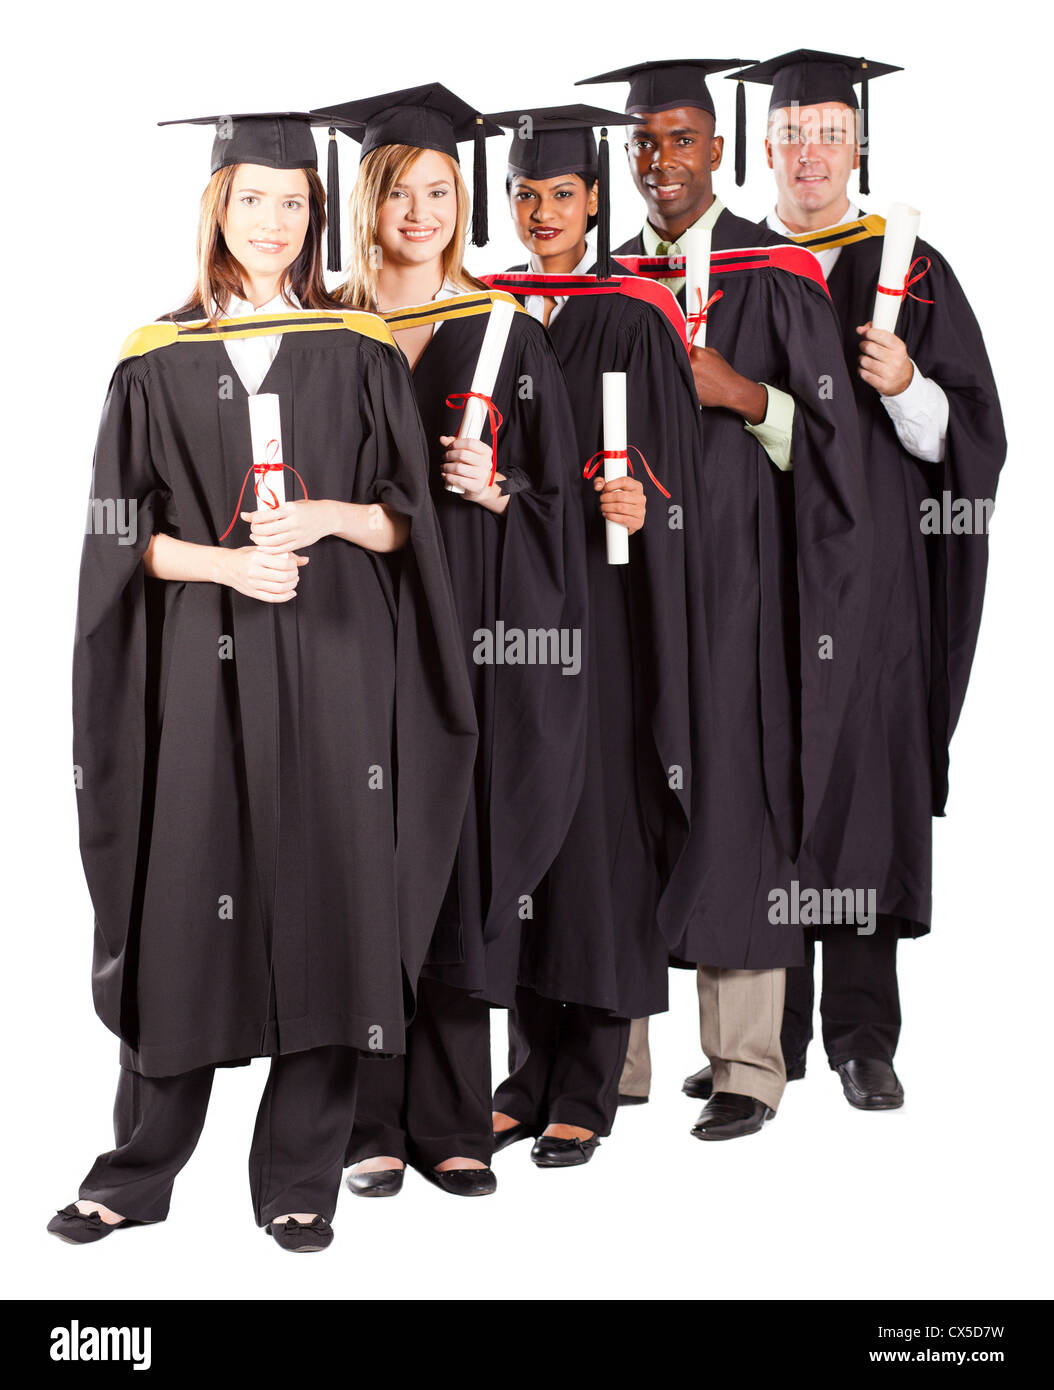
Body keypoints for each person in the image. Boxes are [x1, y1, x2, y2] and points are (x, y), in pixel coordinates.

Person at [49, 111, 476, 1252]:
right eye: (254, 201)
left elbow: (408, 523)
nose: (276, 223)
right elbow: (115, 533)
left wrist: (332, 515)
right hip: (203, 653)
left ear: (313, 213)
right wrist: (227, 560)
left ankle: (301, 1173)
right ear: (216, 210)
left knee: (336, 893)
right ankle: (138, 1168)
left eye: (295, 202)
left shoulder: (357, 343)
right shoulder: (154, 354)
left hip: (340, 653)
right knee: (185, 892)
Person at [578, 58, 871, 1138]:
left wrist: (743, 393)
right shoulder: (604, 282)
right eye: (641, 143)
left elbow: (839, 443)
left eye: (679, 138)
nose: (659, 162)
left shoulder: (776, 270)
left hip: (746, 584)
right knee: (622, 792)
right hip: (627, 583)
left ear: (717, 145)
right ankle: (615, 1059)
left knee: (742, 797)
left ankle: (748, 1063)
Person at [311, 84, 588, 1194]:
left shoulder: (506, 334)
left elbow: (561, 501)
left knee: (464, 858)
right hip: (349, 630)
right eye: (399, 192)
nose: (420, 212)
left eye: (439, 192)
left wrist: (499, 491)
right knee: (363, 860)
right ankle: (367, 1118)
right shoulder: (323, 327)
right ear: (363, 201)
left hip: (471, 636)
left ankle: (450, 1113)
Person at [734, 49, 1006, 1108]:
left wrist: (907, 386)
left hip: (871, 577)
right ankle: (763, 1042)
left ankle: (858, 1034)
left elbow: (971, 436)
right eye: (791, 134)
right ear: (766, 147)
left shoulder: (911, 264)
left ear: (858, 146)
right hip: (754, 567)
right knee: (756, 782)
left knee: (857, 783)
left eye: (827, 134)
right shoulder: (734, 260)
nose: (809, 152)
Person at [484, 105, 708, 1164]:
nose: (541, 214)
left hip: (609, 613)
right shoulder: (491, 309)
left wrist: (641, 506)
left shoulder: (630, 310)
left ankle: (589, 1081)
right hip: (519, 605)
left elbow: (676, 474)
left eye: (562, 195)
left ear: (595, 201)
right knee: (526, 822)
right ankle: (526, 1069)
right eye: (525, 195)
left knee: (601, 836)